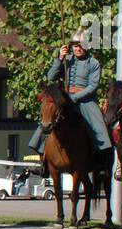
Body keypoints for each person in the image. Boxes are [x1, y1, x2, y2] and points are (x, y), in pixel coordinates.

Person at [28, 31, 111, 161]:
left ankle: (100, 157)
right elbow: (51, 77)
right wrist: (60, 58)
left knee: (98, 124)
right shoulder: (67, 59)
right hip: (65, 98)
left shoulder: (93, 63)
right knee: (48, 118)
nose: (78, 48)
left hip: (85, 100)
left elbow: (92, 86)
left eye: (81, 45)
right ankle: (43, 154)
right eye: (75, 46)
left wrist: (75, 97)